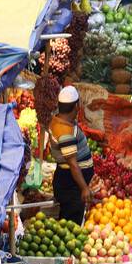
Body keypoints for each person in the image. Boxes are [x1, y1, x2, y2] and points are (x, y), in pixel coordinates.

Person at [48, 85, 94, 224]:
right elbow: (73, 164)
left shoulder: (61, 121)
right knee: (71, 223)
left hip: (69, 182)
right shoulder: (64, 131)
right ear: (76, 106)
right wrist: (84, 188)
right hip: (71, 185)